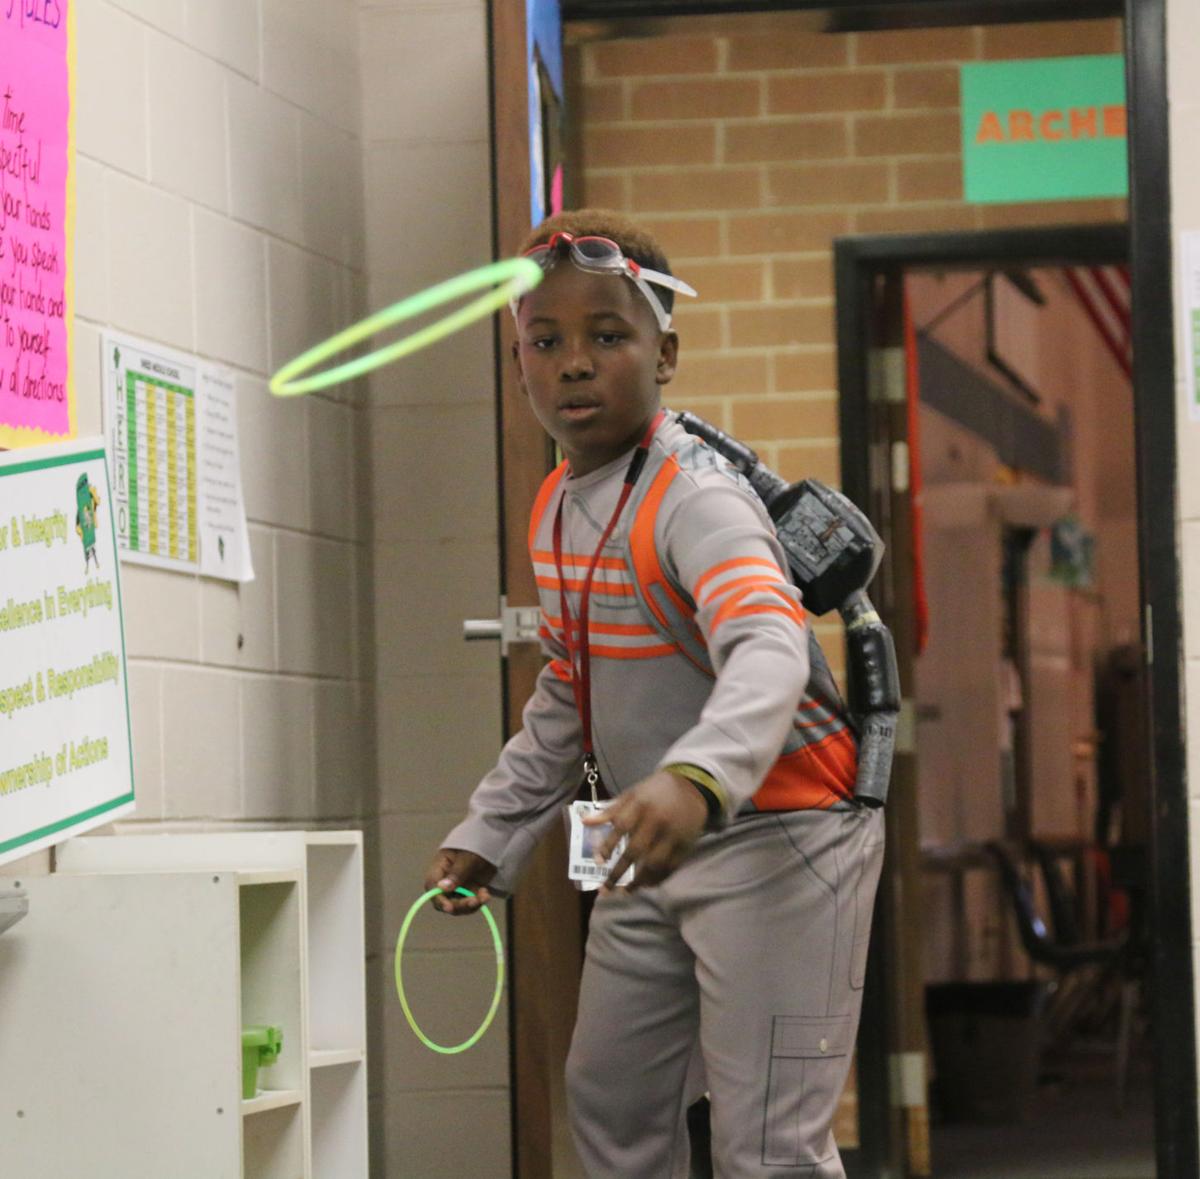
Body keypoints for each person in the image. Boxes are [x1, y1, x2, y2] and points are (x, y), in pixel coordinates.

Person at [423, 208, 885, 1178]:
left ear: (664, 353)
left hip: (782, 834)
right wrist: (491, 833)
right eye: (545, 342)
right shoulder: (558, 507)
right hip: (646, 837)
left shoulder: (698, 498)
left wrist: (696, 778)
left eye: (607, 336)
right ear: (518, 365)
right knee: (611, 1101)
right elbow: (568, 690)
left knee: (769, 1146)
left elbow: (770, 646)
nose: (573, 365)